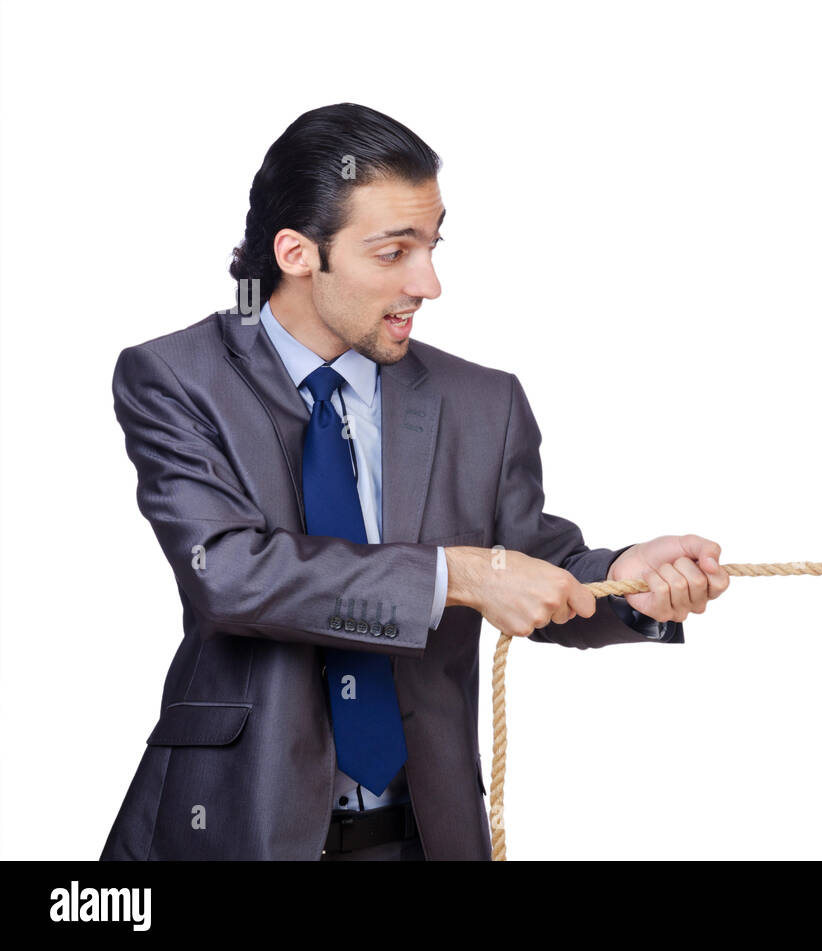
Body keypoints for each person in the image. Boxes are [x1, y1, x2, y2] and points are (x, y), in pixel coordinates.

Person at [100, 102, 729, 861]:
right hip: (233, 826)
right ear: (298, 253)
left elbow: (536, 564)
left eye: (431, 245)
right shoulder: (176, 379)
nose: (429, 282)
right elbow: (230, 574)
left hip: (427, 835)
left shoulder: (483, 402)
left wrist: (624, 586)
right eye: (394, 253)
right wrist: (456, 574)